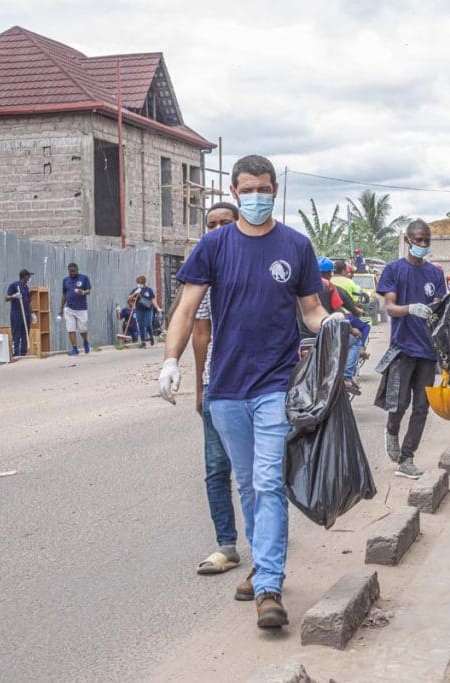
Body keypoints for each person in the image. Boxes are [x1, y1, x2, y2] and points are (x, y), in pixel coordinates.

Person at [158, 155, 333, 629]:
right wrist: (171, 361)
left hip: (275, 384)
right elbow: (186, 308)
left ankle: (270, 586)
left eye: (264, 188)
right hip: (226, 389)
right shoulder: (214, 246)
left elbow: (312, 308)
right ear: (235, 194)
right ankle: (261, 566)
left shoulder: (296, 245)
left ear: (274, 190)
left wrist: (332, 325)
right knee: (249, 484)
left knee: (269, 481)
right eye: (248, 189)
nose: (257, 196)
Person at [189, 202, 242, 577]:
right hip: (217, 385)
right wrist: (198, 387)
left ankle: (269, 539)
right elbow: (200, 333)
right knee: (216, 469)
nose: (218, 229)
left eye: (225, 222)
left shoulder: (256, 268)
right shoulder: (204, 277)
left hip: (257, 385)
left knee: (262, 469)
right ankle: (227, 544)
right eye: (211, 224)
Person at [374, 219, 447, 479]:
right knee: (400, 402)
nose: (423, 245)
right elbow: (389, 307)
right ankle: (392, 430)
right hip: (403, 347)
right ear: (408, 240)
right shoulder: (394, 270)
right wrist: (411, 309)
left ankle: (407, 457)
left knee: (421, 406)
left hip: (428, 350)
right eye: (418, 240)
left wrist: (440, 307)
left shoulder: (435, 273)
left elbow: (441, 306)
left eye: (426, 240)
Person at [60, 262, 92, 355]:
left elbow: (89, 291)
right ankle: (74, 349)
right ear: (68, 271)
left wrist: (83, 292)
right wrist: (61, 307)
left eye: (74, 271)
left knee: (82, 329)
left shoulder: (84, 278)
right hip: (69, 308)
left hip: (81, 308)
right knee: (71, 329)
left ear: (77, 270)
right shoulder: (65, 280)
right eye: (70, 271)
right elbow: (64, 294)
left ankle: (85, 341)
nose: (72, 273)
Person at [5, 269, 33, 358]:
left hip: (26, 314)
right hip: (16, 314)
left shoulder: (26, 287)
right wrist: (14, 296)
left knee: (25, 333)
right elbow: (6, 298)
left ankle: (23, 353)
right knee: (16, 333)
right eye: (29, 276)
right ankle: (16, 354)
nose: (29, 278)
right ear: (25, 276)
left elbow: (28, 302)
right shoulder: (14, 285)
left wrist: (32, 313)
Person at [129, 275, 160, 348]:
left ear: (144, 283)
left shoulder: (149, 290)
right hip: (139, 310)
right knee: (141, 325)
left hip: (148, 310)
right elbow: (129, 298)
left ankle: (151, 336)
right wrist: (135, 293)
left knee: (148, 324)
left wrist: (158, 308)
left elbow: (153, 300)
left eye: (140, 283)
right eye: (138, 283)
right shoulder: (135, 290)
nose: (139, 284)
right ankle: (143, 342)